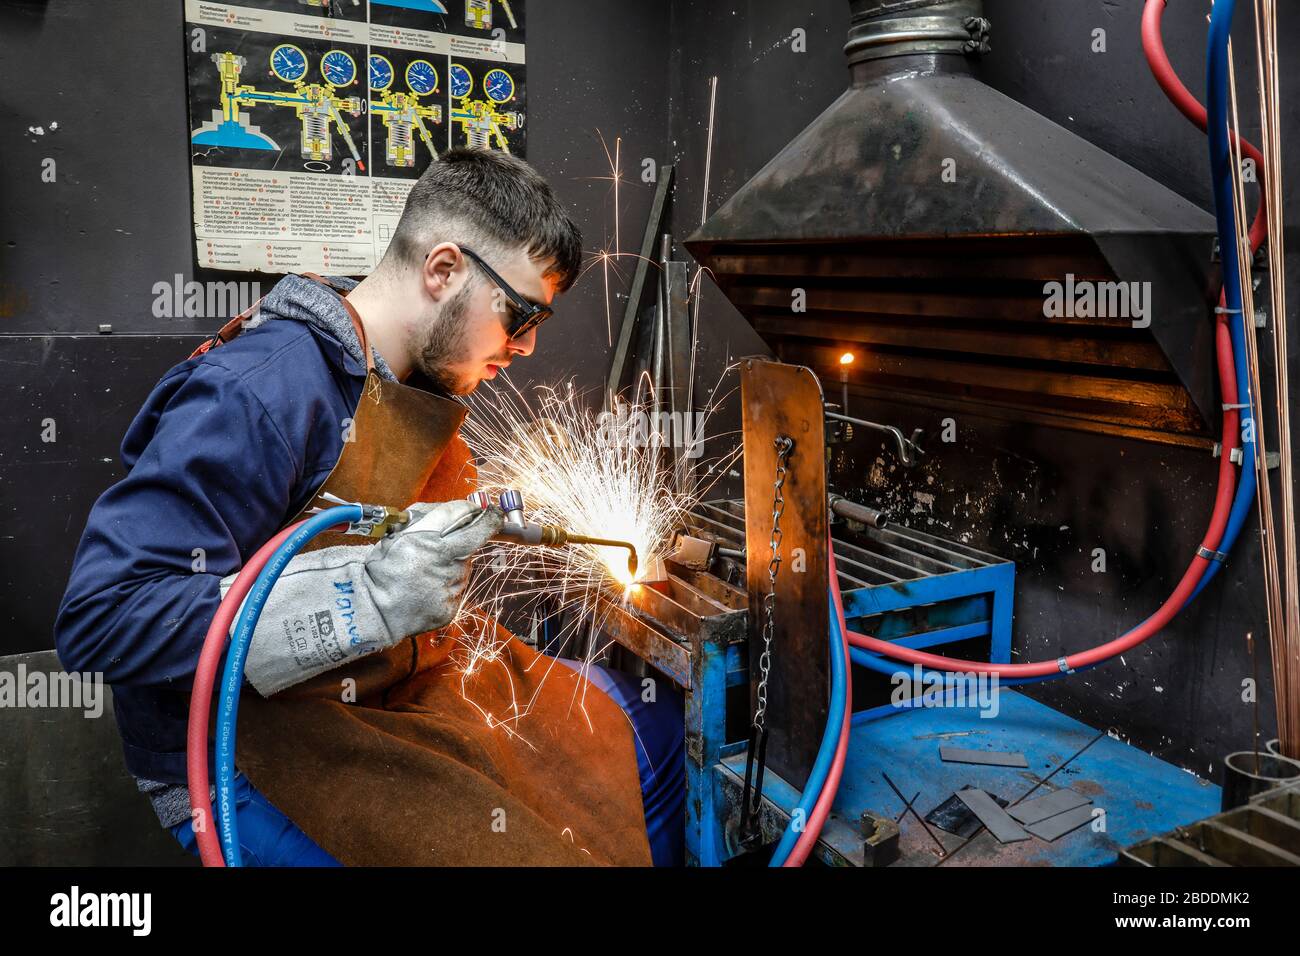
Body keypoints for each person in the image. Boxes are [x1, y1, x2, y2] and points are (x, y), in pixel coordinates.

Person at [55, 149, 684, 867]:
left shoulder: (410, 378)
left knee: (646, 726)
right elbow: (102, 617)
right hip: (251, 753)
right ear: (443, 270)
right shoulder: (259, 391)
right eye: (521, 312)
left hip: (388, 693)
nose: (529, 344)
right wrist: (363, 597)